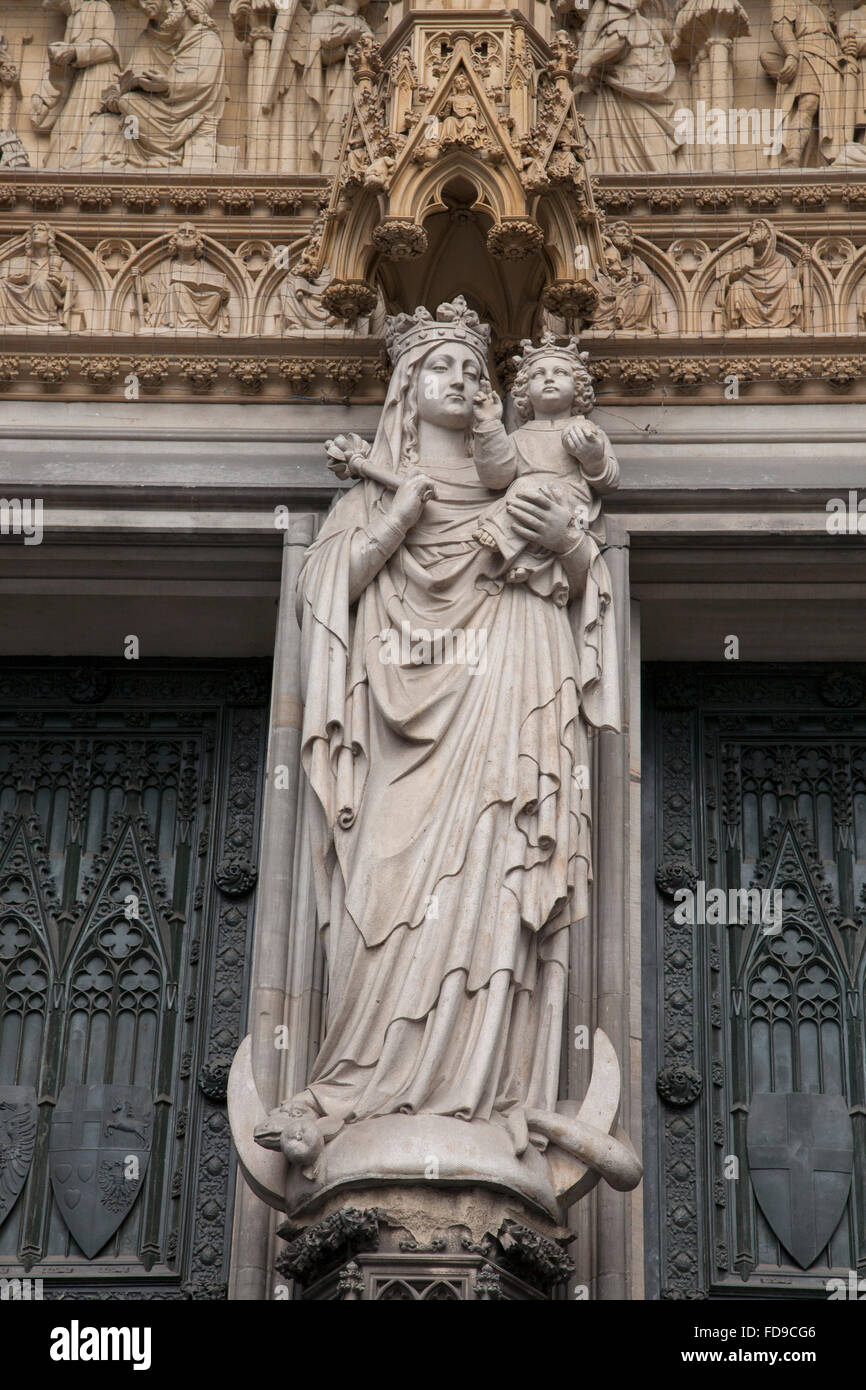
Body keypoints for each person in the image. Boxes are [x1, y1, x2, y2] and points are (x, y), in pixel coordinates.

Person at [264, 298, 620, 1158]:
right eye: (440, 366)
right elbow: (325, 593)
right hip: (395, 719)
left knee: (498, 871)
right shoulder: (369, 495)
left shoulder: (522, 479)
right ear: (404, 387)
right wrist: (394, 520)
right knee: (383, 892)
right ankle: (356, 1092)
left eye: (471, 367)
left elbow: (586, 587)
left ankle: (490, 1098)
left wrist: (570, 545)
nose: (460, 378)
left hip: (509, 688)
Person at [472, 333, 619, 605]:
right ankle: (527, 563)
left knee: (525, 488)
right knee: (523, 496)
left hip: (573, 503)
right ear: (524, 391)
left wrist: (593, 458)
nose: (549, 378)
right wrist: (490, 425)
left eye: (560, 372)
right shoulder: (518, 437)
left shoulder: (587, 430)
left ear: (578, 386)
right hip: (526, 505)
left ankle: (500, 533)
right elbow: (496, 477)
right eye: (538, 374)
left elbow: (610, 480)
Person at [69, 0, 228, 169]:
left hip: (184, 114)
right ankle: (129, 155)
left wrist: (167, 85)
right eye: (139, 3)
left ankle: (164, 156)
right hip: (149, 112)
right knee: (107, 120)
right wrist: (116, 93)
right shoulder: (147, 38)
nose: (143, 6)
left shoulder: (206, 40)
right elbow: (128, 75)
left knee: (129, 102)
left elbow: (200, 82)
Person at [573, 0, 683, 173]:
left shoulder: (615, 5)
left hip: (633, 87)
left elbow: (619, 37)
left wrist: (588, 61)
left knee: (648, 145)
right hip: (614, 88)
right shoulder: (601, 10)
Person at [30, 0, 120, 169]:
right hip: (79, 83)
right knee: (62, 142)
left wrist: (74, 51)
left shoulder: (98, 7)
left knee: (85, 135)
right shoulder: (73, 16)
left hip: (96, 80)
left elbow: (108, 48)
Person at [716, 218, 807, 330]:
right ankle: (744, 322)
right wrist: (740, 272)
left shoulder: (783, 261)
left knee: (793, 284)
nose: (754, 229)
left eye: (759, 227)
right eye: (752, 228)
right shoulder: (741, 257)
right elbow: (723, 285)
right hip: (750, 304)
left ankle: (792, 321)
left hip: (779, 304)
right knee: (737, 287)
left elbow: (793, 279)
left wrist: (803, 264)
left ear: (769, 235)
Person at [0, 222, 80, 329]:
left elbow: (73, 289)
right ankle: (8, 320)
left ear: (50, 237)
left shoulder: (60, 262)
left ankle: (46, 320)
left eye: (41, 230)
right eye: (33, 231)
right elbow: (4, 279)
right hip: (18, 301)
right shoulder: (17, 262)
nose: (35, 233)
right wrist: (13, 278)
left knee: (40, 284)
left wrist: (61, 279)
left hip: (46, 304)